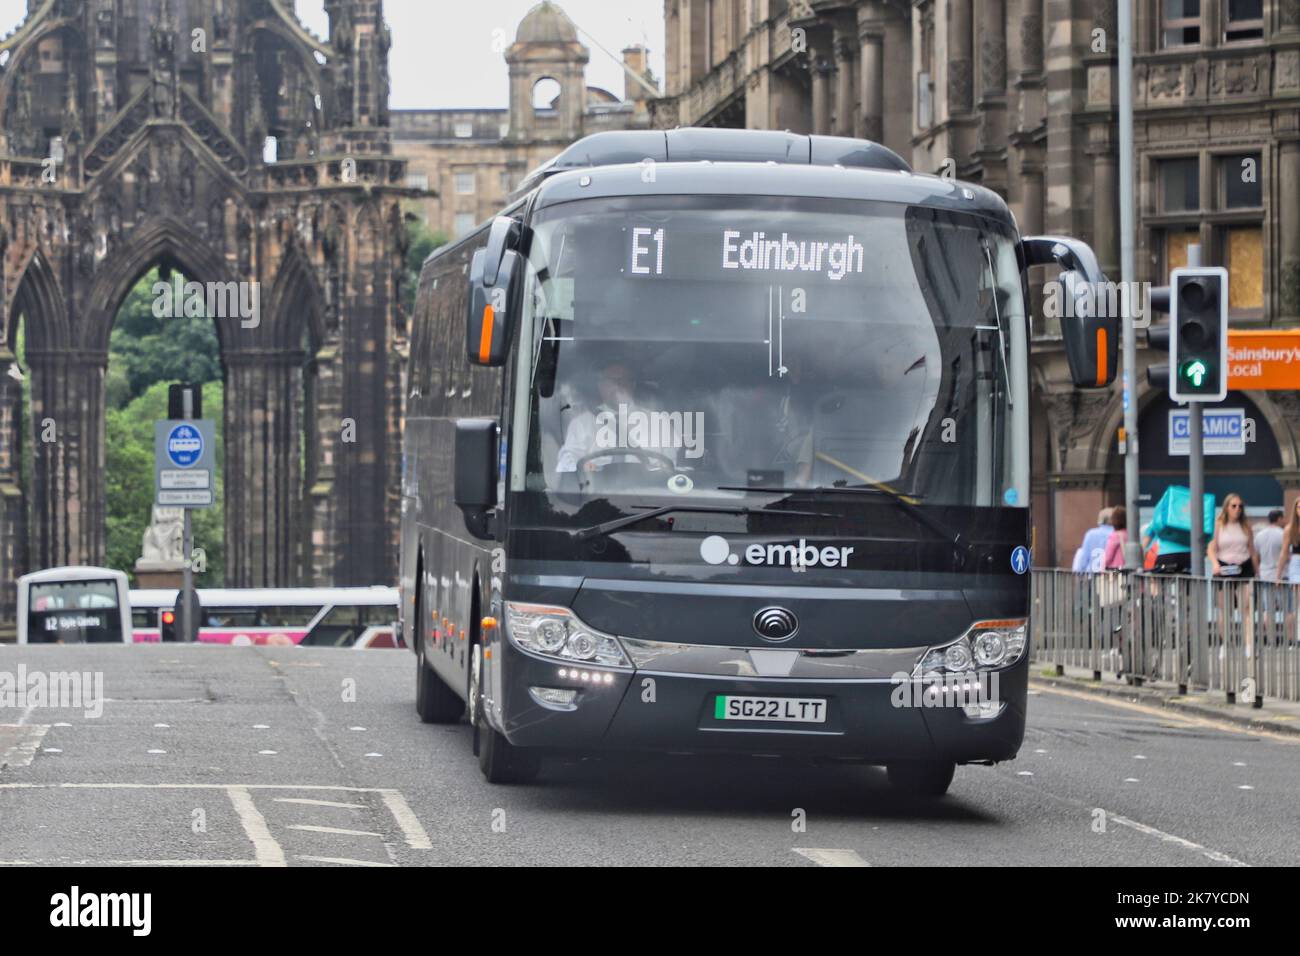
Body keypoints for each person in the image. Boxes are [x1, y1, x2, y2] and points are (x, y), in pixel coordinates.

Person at [555, 362, 665, 475]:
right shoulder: (581, 424)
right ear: (600, 386)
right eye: (611, 381)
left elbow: (674, 468)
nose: (617, 386)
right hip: (596, 490)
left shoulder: (658, 422)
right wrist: (581, 466)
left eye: (623, 380)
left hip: (648, 490)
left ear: (632, 385)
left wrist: (662, 469)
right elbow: (565, 464)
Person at [1208, 493, 1259, 578]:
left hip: (1244, 566)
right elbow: (1211, 549)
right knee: (1224, 590)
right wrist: (1215, 564)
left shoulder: (1246, 526)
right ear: (1226, 508)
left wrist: (1257, 571)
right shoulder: (1218, 525)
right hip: (1224, 567)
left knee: (1247, 591)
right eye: (1234, 506)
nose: (1237, 509)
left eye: (1240, 506)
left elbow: (1252, 551)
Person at [1072, 507, 1115, 573]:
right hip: (1112, 575)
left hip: (1092, 573)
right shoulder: (1118, 534)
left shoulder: (1091, 533)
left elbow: (1084, 555)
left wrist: (1080, 571)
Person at [1255, 508, 1285, 582]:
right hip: (1280, 574)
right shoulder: (1283, 534)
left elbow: (1256, 555)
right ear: (1279, 519)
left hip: (1264, 573)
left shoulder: (1259, 535)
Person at [1276, 499, 1300, 584]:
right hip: (1297, 563)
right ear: (1295, 510)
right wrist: (1278, 576)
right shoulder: (1290, 529)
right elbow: (1284, 552)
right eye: (1299, 507)